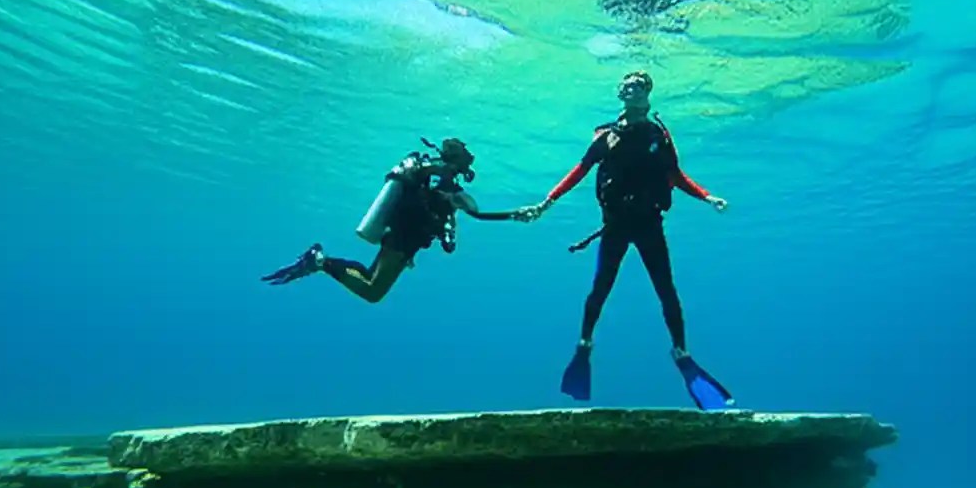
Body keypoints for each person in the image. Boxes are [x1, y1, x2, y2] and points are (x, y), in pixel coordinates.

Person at [517, 71, 736, 409]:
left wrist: (707, 197)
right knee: (600, 288)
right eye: (629, 85)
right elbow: (579, 170)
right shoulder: (606, 137)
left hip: (649, 224)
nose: (633, 89)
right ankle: (584, 344)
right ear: (620, 92)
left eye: (640, 85)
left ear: (648, 94)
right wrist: (546, 203)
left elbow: (675, 176)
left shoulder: (658, 135)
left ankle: (682, 352)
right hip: (616, 225)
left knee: (667, 290)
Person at [261, 138, 522, 303]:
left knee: (369, 278)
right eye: (466, 155)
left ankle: (320, 261)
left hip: (400, 237)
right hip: (402, 240)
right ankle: (319, 261)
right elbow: (476, 213)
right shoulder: (449, 188)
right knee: (373, 291)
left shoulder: (430, 176)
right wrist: (514, 214)